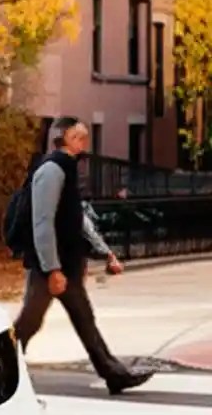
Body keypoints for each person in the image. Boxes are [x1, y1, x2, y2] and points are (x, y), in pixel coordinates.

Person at [13, 116, 155, 395]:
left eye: (86, 137)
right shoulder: (52, 170)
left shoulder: (67, 169)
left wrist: (105, 252)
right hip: (51, 266)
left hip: (67, 263)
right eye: (79, 137)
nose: (84, 142)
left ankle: (113, 374)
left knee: (84, 319)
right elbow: (42, 222)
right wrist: (52, 268)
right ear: (63, 138)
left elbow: (77, 219)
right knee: (29, 322)